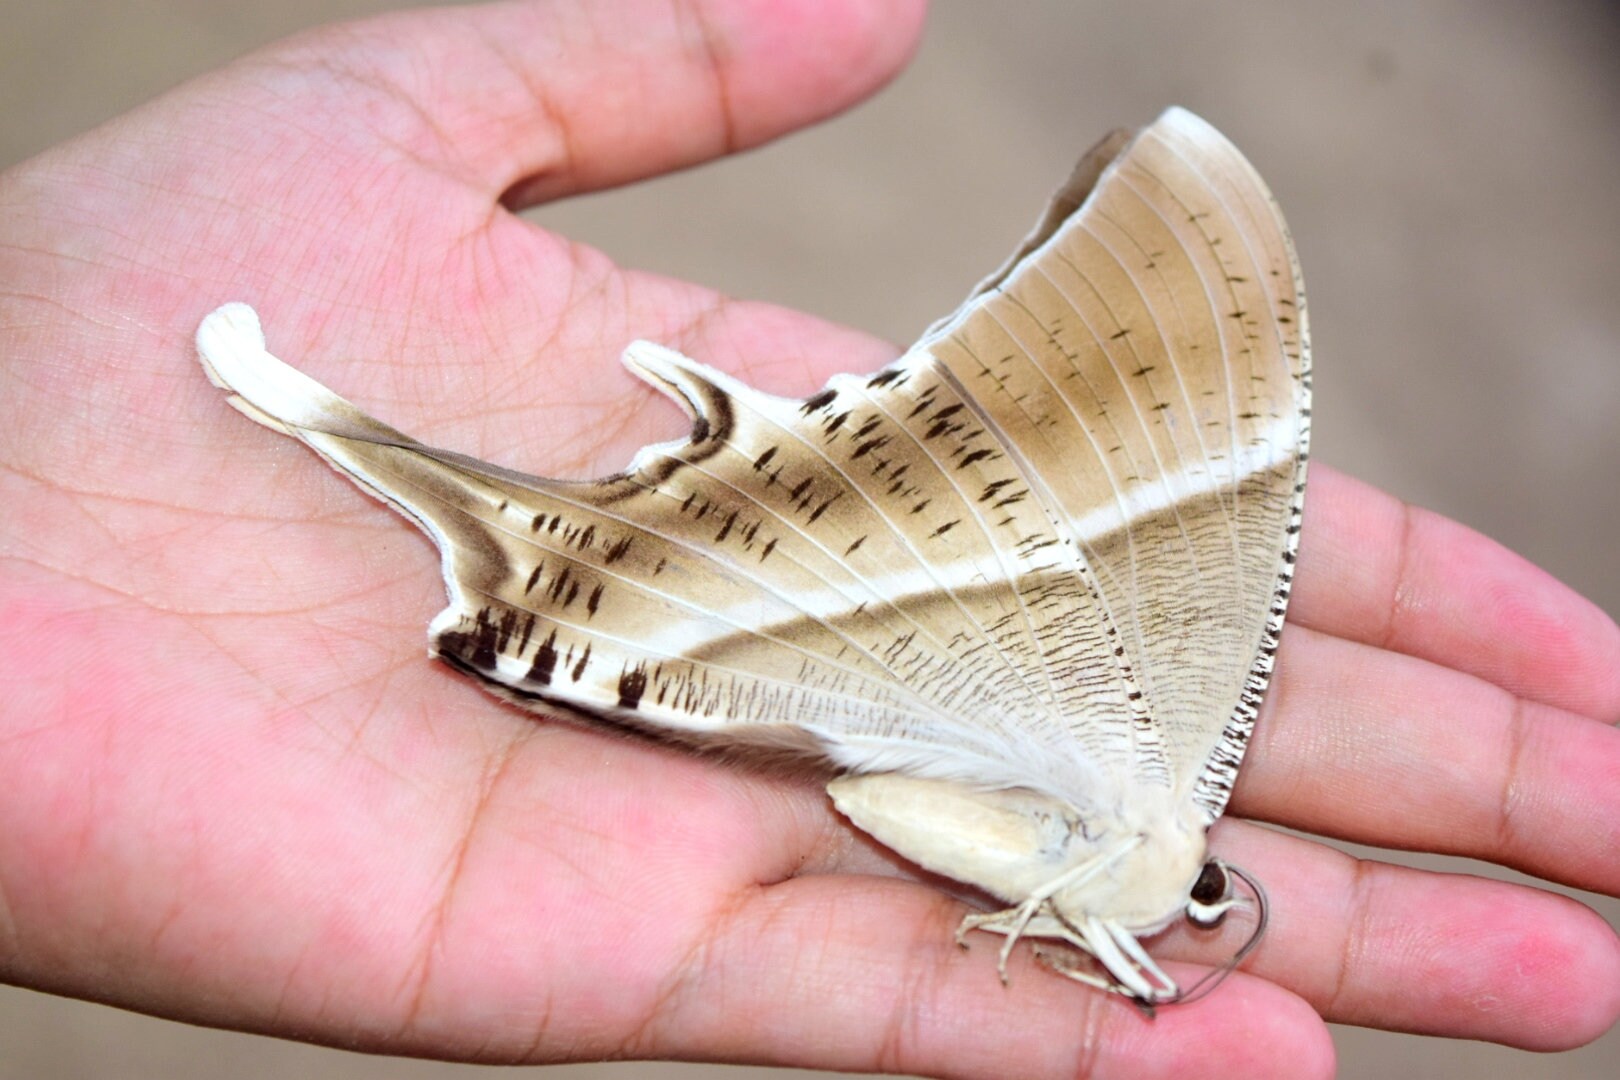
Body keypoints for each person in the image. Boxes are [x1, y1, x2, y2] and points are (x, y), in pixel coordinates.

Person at [0, 2, 1616, 1076]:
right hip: (841, 619)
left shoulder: (1152, 813)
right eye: (1194, 908)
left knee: (504, 548)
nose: (1192, 901)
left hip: (843, 638)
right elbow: (908, 810)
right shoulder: (1161, 777)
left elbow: (902, 813)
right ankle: (326, 428)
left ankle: (344, 438)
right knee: (461, 525)